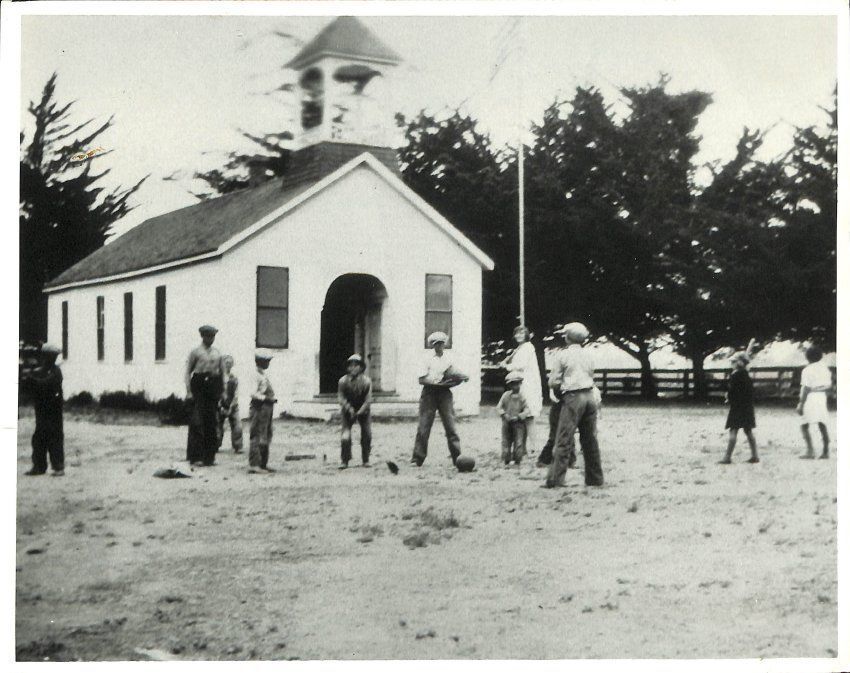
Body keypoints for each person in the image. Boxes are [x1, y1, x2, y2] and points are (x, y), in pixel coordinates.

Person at [545, 322, 603, 488]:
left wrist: (559, 395)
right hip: (589, 396)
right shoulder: (589, 355)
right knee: (590, 439)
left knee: (563, 438)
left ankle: (555, 480)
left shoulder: (562, 356)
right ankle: (595, 479)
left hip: (572, 397)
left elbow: (554, 381)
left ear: (568, 337)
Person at [412, 331, 467, 467]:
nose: (439, 346)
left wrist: (462, 378)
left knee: (451, 426)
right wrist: (437, 383)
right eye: (436, 344)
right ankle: (417, 458)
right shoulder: (426, 358)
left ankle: (457, 458)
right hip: (429, 393)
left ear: (445, 344)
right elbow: (421, 379)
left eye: (441, 343)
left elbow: (456, 377)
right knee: (424, 426)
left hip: (444, 393)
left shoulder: (449, 359)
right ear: (432, 345)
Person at [23, 344, 65, 477]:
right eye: (47, 356)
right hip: (41, 410)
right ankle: (39, 466)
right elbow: (29, 386)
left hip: (53, 411)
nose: (48, 359)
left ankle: (58, 467)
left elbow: (46, 383)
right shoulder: (40, 371)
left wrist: (32, 380)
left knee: (55, 438)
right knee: (39, 438)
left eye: (51, 356)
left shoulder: (56, 371)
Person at [185, 325, 224, 467]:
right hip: (199, 386)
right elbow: (187, 372)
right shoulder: (195, 352)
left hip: (212, 387)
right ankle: (196, 457)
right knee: (197, 422)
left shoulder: (217, 353)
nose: (210, 339)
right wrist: (189, 391)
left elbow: (222, 373)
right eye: (208, 336)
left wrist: (223, 391)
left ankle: (209, 457)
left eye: (212, 336)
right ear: (202, 336)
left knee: (211, 421)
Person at [719, 350, 759, 464]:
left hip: (737, 408)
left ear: (739, 363)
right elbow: (750, 392)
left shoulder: (735, 376)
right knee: (748, 431)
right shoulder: (747, 376)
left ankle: (727, 457)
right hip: (747, 407)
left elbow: (732, 392)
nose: (731, 364)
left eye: (733, 362)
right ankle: (755, 455)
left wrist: (728, 396)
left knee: (733, 431)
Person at [502, 325, 542, 433]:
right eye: (517, 333)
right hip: (521, 382)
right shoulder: (520, 348)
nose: (518, 335)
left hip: (527, 382)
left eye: (521, 333)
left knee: (528, 414)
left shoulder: (528, 347)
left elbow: (521, 365)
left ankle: (533, 447)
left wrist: (507, 366)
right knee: (521, 414)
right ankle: (521, 445)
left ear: (526, 335)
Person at [337, 353, 373, 469]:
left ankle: (366, 459)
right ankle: (345, 460)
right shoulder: (342, 381)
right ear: (347, 368)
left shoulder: (366, 381)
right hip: (348, 411)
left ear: (361, 367)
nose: (353, 368)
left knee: (367, 434)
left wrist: (360, 411)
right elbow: (341, 398)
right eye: (351, 366)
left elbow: (368, 400)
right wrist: (349, 409)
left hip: (363, 411)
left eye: (356, 365)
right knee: (345, 436)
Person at [797, 345, 832, 460]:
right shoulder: (825, 369)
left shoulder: (807, 370)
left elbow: (805, 388)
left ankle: (810, 450)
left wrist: (801, 403)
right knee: (822, 424)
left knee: (804, 424)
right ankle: (826, 452)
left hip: (810, 397)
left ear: (808, 357)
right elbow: (828, 386)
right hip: (821, 397)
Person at [248, 349, 277, 473]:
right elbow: (253, 393)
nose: (268, 363)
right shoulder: (255, 376)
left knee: (266, 434)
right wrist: (266, 398)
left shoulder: (263, 375)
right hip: (259, 407)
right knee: (257, 435)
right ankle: (254, 464)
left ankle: (263, 463)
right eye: (267, 361)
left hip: (267, 408)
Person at [498, 371, 531, 465]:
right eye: (513, 384)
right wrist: (504, 414)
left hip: (518, 423)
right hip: (507, 422)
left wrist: (520, 416)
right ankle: (506, 458)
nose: (515, 386)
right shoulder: (505, 396)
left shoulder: (522, 397)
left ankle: (518, 458)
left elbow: (527, 409)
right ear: (509, 385)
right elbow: (499, 407)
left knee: (519, 441)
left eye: (517, 384)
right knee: (506, 440)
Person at [217, 355, 244, 454]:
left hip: (232, 405)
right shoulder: (218, 377)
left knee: (238, 426)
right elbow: (216, 393)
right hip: (220, 405)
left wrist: (231, 407)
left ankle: (238, 446)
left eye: (230, 363)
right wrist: (220, 406)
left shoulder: (234, 378)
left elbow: (236, 394)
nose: (228, 365)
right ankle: (215, 445)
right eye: (226, 363)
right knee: (217, 426)